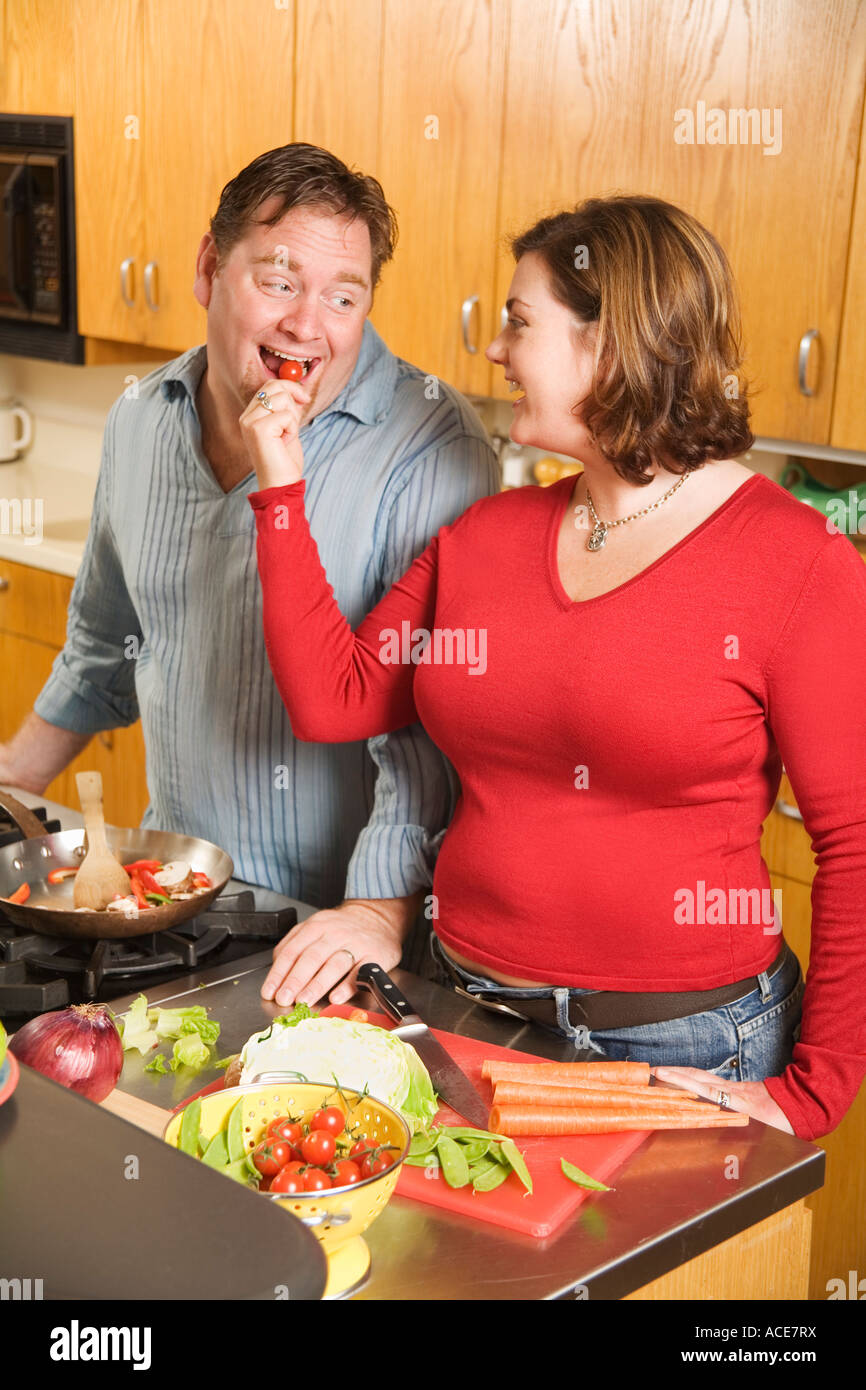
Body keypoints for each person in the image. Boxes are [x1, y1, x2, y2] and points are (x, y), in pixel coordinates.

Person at [240, 193, 866, 1141]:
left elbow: (856, 843)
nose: (493, 350)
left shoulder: (798, 564)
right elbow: (338, 699)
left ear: (608, 345)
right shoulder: (486, 536)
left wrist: (817, 1091)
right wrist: (280, 487)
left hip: (685, 1047)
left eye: (518, 322)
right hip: (460, 1010)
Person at [0, 144, 499, 1005]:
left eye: (345, 295)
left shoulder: (434, 449)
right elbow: (104, 643)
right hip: (175, 897)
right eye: (279, 280)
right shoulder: (141, 418)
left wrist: (374, 918)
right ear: (208, 268)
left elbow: (424, 734)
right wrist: (14, 782)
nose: (310, 324)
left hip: (330, 938)